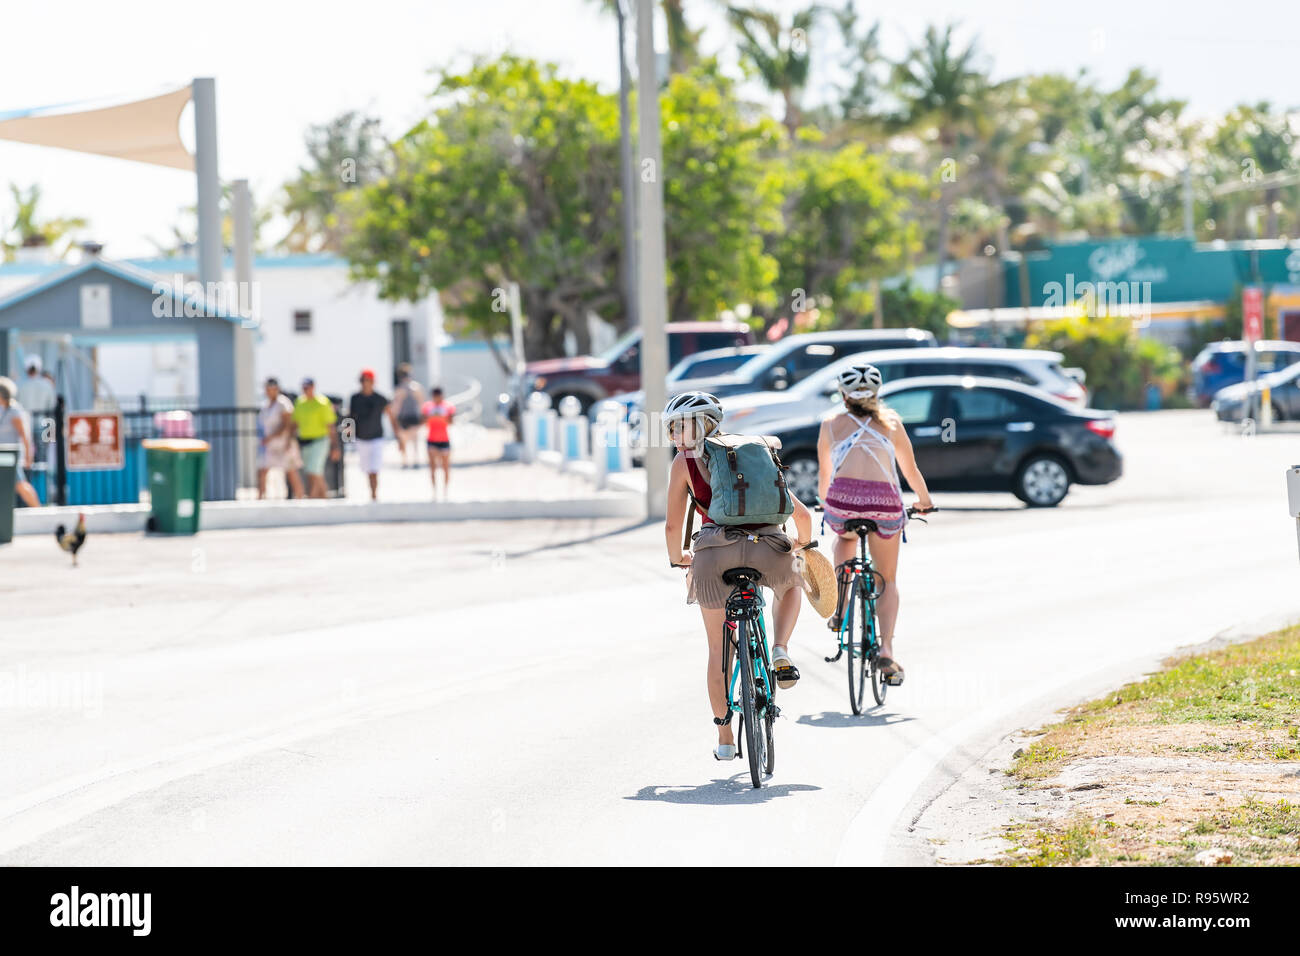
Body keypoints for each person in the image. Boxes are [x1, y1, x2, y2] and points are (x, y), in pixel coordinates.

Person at [662, 391, 814, 762]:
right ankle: (780, 649)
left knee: (718, 650)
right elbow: (803, 516)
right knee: (791, 582)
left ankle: (726, 738)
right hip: (769, 546)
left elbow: (671, 525)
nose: (676, 435)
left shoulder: (684, 463)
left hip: (713, 555)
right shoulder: (753, 450)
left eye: (676, 428)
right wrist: (801, 545)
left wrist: (678, 559)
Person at [817, 362, 935, 686]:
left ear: (843, 395)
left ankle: (841, 608)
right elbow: (910, 471)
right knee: (887, 579)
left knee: (843, 540)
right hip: (885, 506)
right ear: (877, 393)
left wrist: (826, 503)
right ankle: (886, 649)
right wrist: (924, 502)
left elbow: (825, 476)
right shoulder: (892, 422)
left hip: (843, 505)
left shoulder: (830, 424)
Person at [348, 368, 397, 501]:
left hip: (377, 438)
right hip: (361, 438)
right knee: (366, 469)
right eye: (363, 380)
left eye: (368, 380)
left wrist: (398, 436)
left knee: (374, 469)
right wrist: (347, 438)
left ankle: (374, 495)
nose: (365, 383)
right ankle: (372, 493)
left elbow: (390, 416)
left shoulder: (380, 398)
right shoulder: (355, 398)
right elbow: (350, 418)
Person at [291, 378, 340, 499]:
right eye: (304, 387)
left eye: (308, 387)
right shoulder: (300, 402)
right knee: (314, 473)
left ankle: (311, 499)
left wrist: (335, 446)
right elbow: (295, 423)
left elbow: (331, 426)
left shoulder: (322, 403)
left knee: (313, 471)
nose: (306, 390)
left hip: (320, 441)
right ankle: (324, 500)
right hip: (304, 442)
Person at [256, 377, 304, 500]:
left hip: (283, 442)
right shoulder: (266, 405)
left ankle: (300, 498)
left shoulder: (283, 403)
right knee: (262, 470)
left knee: (291, 472)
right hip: (269, 444)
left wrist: (281, 440)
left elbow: (287, 425)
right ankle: (260, 498)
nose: (268, 391)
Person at [0, 379, 41, 508]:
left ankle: (38, 509)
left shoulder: (14, 411)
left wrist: (29, 456)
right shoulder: (2, 410)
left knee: (20, 485)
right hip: (3, 454)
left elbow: (24, 435)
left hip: (11, 455)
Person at [423, 387, 455, 500]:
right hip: (432, 439)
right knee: (433, 467)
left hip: (444, 439)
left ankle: (445, 491)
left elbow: (451, 421)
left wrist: (441, 417)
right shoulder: (427, 406)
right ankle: (434, 491)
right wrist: (432, 417)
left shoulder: (448, 406)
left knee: (445, 467)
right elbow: (423, 421)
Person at [392, 364, 425, 469]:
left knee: (406, 440)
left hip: (406, 417)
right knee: (413, 440)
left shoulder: (400, 389)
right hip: (412, 416)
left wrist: (395, 418)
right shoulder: (416, 387)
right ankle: (413, 460)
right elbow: (421, 403)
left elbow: (396, 406)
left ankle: (407, 461)